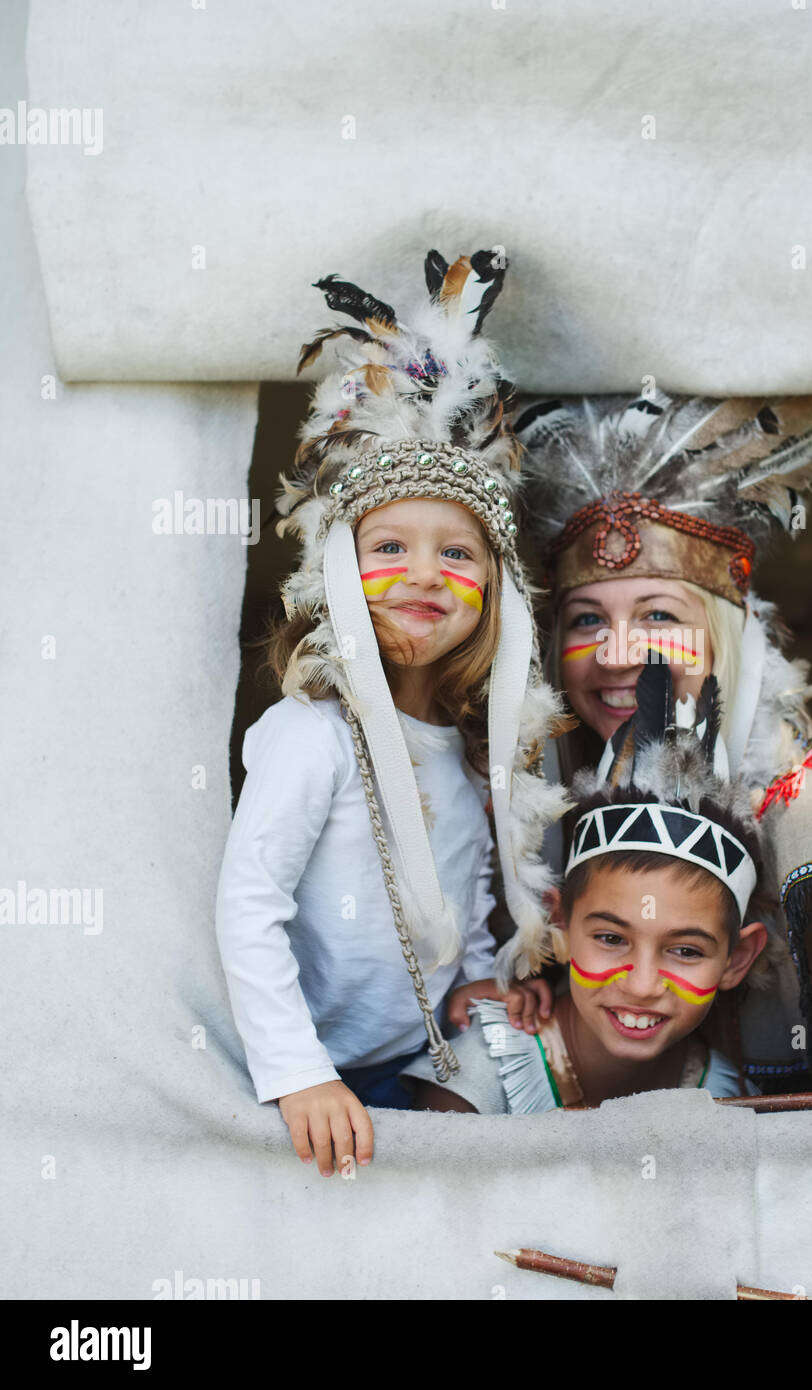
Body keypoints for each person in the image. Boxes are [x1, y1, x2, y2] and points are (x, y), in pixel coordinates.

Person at [215, 250, 568, 1174]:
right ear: (336, 571)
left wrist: (488, 972)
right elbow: (249, 903)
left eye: (458, 554)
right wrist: (297, 1073)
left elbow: (467, 882)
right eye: (390, 547)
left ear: (498, 593)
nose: (423, 574)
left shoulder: (464, 740)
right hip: (310, 1076)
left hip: (414, 1058)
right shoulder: (311, 737)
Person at [513, 393, 812, 1100]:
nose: (618, 654)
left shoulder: (809, 822)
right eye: (586, 619)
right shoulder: (568, 783)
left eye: (657, 615)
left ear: (726, 635)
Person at [411, 665, 767, 1113]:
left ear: (736, 959)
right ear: (558, 923)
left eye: (686, 951)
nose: (640, 986)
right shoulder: (477, 1083)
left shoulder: (729, 1098)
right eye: (611, 938)